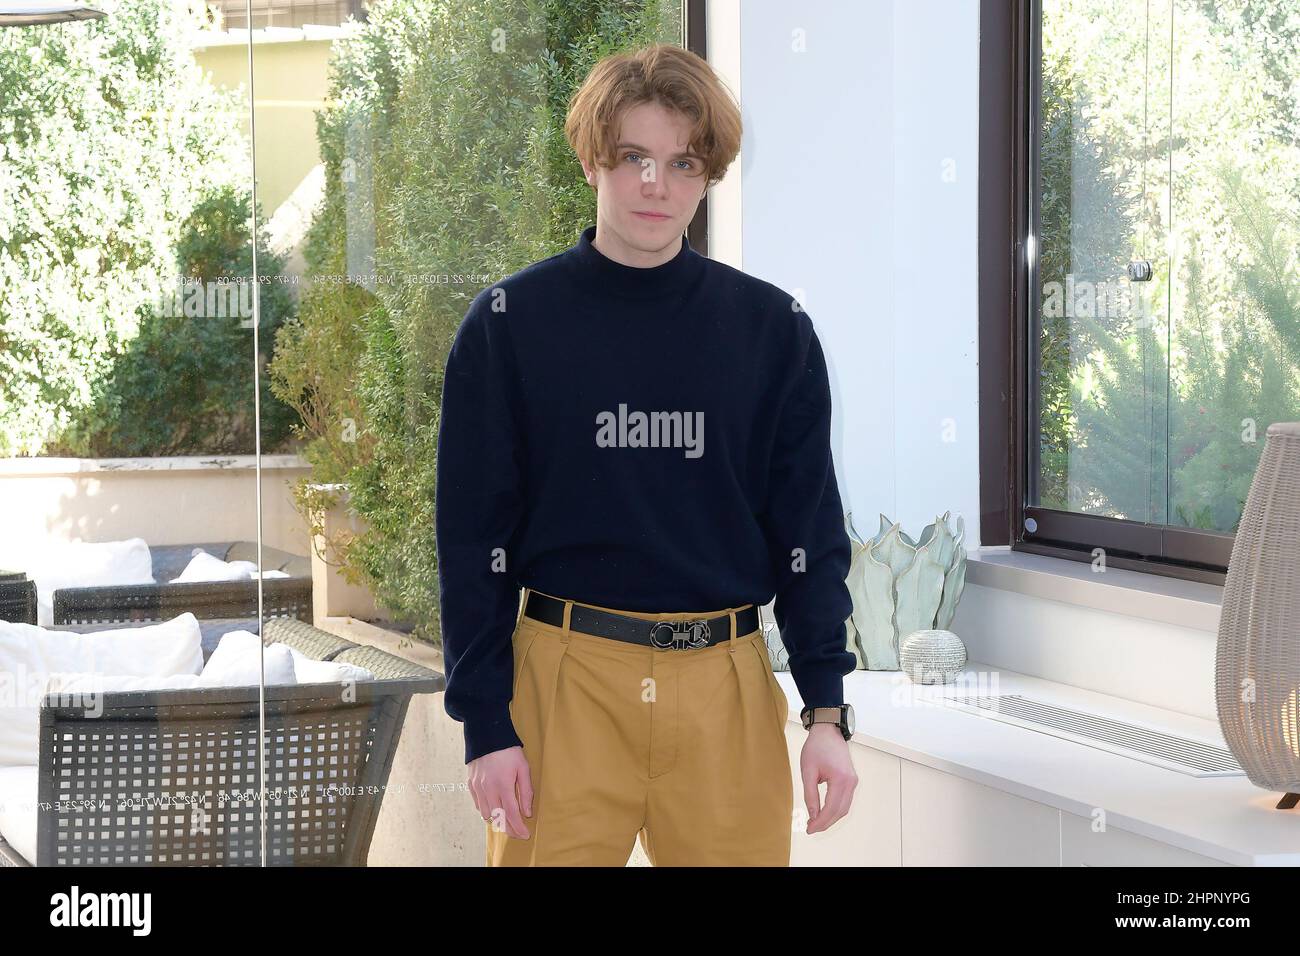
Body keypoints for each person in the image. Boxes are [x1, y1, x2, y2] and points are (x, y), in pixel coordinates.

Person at [435, 42, 857, 867]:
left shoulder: (774, 333)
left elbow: (809, 532)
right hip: (562, 685)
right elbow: (469, 542)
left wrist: (828, 714)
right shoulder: (507, 323)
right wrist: (486, 725)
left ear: (709, 175)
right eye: (634, 158)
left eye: (683, 163)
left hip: (726, 690)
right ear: (595, 158)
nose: (656, 186)